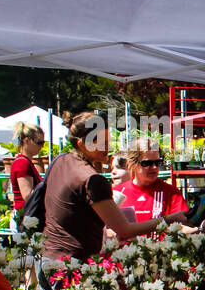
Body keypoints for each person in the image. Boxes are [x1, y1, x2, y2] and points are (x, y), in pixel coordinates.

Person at [41, 112, 173, 263]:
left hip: (48, 257)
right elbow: (125, 229)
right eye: (101, 143)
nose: (108, 147)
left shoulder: (60, 161)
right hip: (71, 267)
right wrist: (168, 219)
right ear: (81, 144)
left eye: (108, 141)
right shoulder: (92, 180)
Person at [113, 139, 192, 225]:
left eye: (158, 162)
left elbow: (183, 226)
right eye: (147, 163)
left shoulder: (171, 193)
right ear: (132, 163)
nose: (154, 167)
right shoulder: (118, 193)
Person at [8, 122, 45, 217]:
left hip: (26, 215)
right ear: (26, 141)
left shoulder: (25, 162)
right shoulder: (22, 163)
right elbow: (28, 195)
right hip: (25, 217)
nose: (42, 146)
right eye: (39, 142)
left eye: (43, 143)